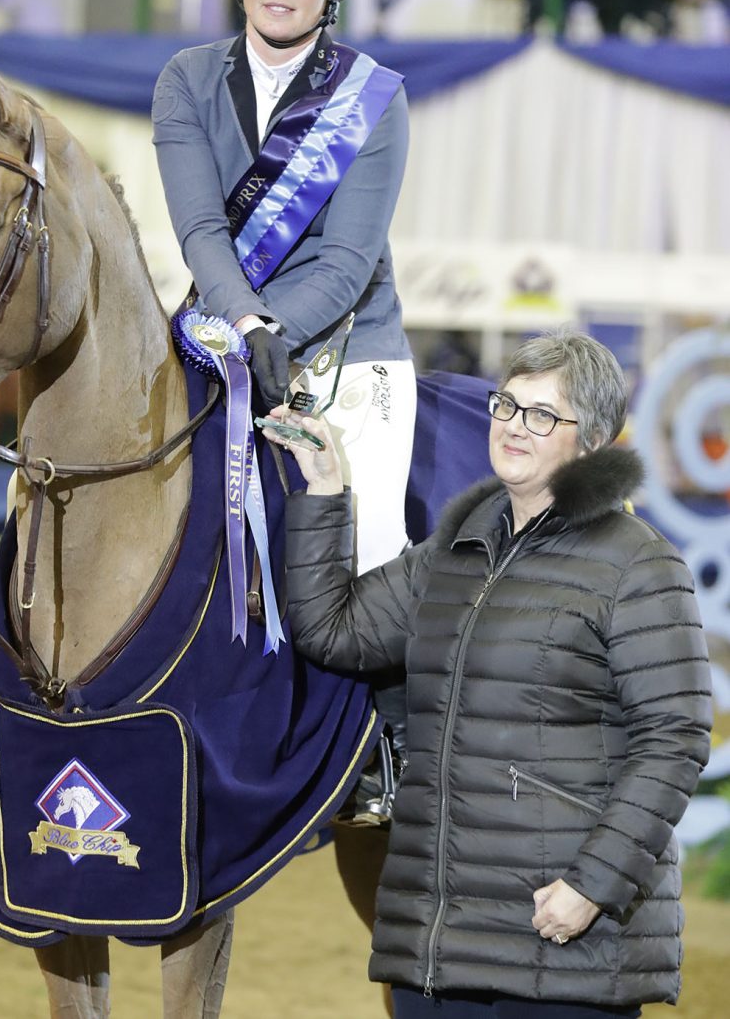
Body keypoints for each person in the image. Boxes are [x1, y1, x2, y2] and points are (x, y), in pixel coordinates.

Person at [267, 327, 712, 1018]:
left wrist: (592, 887)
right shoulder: (455, 547)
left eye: (542, 415)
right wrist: (325, 490)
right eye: (507, 405)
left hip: (561, 941)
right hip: (438, 943)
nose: (513, 426)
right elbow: (335, 631)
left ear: (592, 440)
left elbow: (674, 739)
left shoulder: (638, 564)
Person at [152, 0, 416, 577]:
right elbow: (202, 232)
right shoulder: (185, 81)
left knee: (370, 554)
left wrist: (269, 336)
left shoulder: (374, 99)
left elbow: (347, 264)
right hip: (225, 336)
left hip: (347, 351)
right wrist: (246, 328)